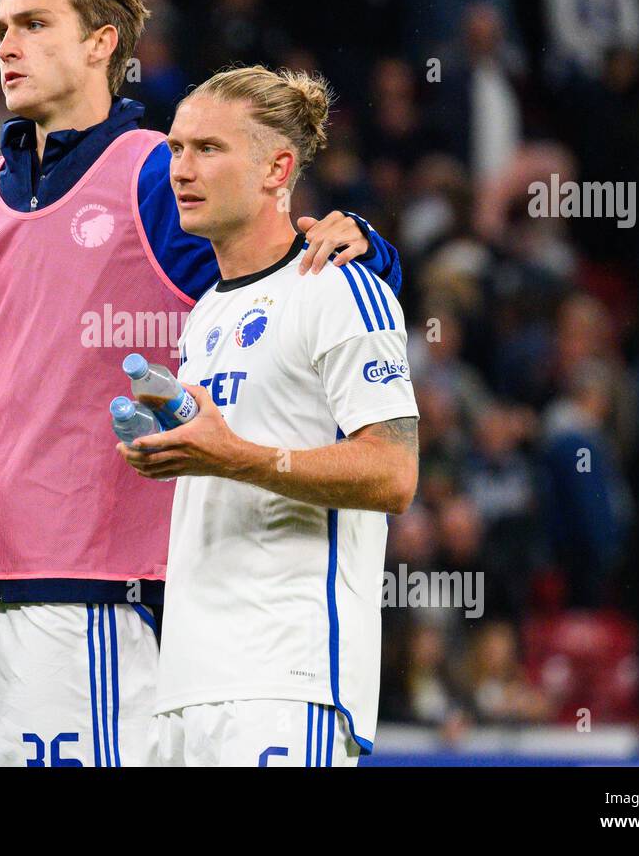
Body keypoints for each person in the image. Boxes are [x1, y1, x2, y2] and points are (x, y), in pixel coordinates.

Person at [0, 0, 404, 767]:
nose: (7, 46)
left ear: (102, 45)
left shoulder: (161, 174)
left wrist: (364, 249)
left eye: (33, 23)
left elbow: (286, 271)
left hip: (101, 590)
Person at [119, 66, 419, 766]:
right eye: (175, 149)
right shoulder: (206, 316)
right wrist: (175, 449)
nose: (181, 170)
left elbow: (394, 474)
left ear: (276, 168)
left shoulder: (342, 290)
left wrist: (231, 456)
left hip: (288, 679)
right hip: (187, 685)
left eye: (208, 150)